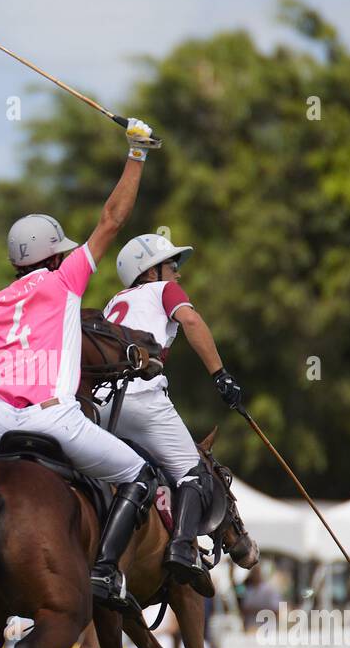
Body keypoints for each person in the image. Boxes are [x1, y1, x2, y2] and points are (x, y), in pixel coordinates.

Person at [0, 118, 162, 610]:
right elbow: (112, 218)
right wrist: (137, 153)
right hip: (55, 417)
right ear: (53, 255)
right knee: (139, 475)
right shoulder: (66, 279)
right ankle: (106, 571)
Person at [100, 232, 257, 598]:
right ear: (150, 271)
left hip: (103, 407)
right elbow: (193, 323)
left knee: (129, 476)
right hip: (141, 400)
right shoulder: (163, 292)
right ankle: (182, 547)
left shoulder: (112, 302)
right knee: (194, 475)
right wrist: (220, 375)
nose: (177, 274)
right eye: (171, 266)